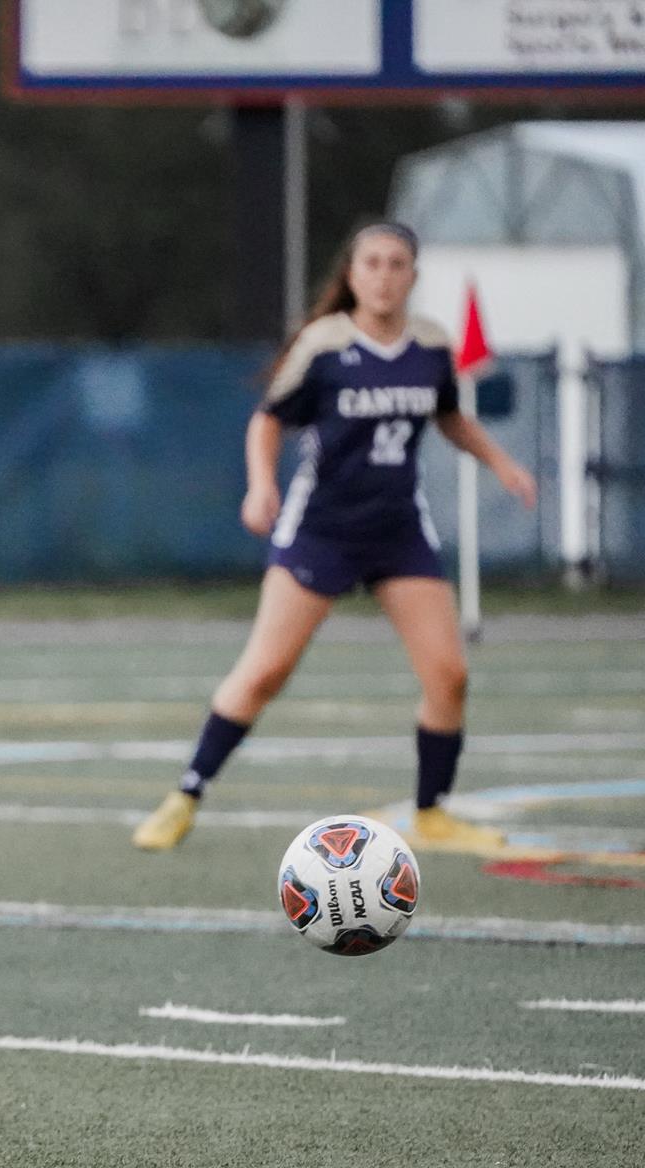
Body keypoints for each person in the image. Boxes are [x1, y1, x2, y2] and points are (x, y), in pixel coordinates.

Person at [131, 221, 537, 854]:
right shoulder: (324, 345)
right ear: (351, 275)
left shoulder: (431, 344)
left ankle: (431, 813)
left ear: (413, 274)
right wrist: (261, 485)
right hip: (321, 531)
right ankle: (185, 794)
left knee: (449, 674)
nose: (383, 274)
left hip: (398, 528)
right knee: (265, 671)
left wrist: (503, 463)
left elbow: (450, 416)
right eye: (371, 263)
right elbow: (268, 421)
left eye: (396, 263)